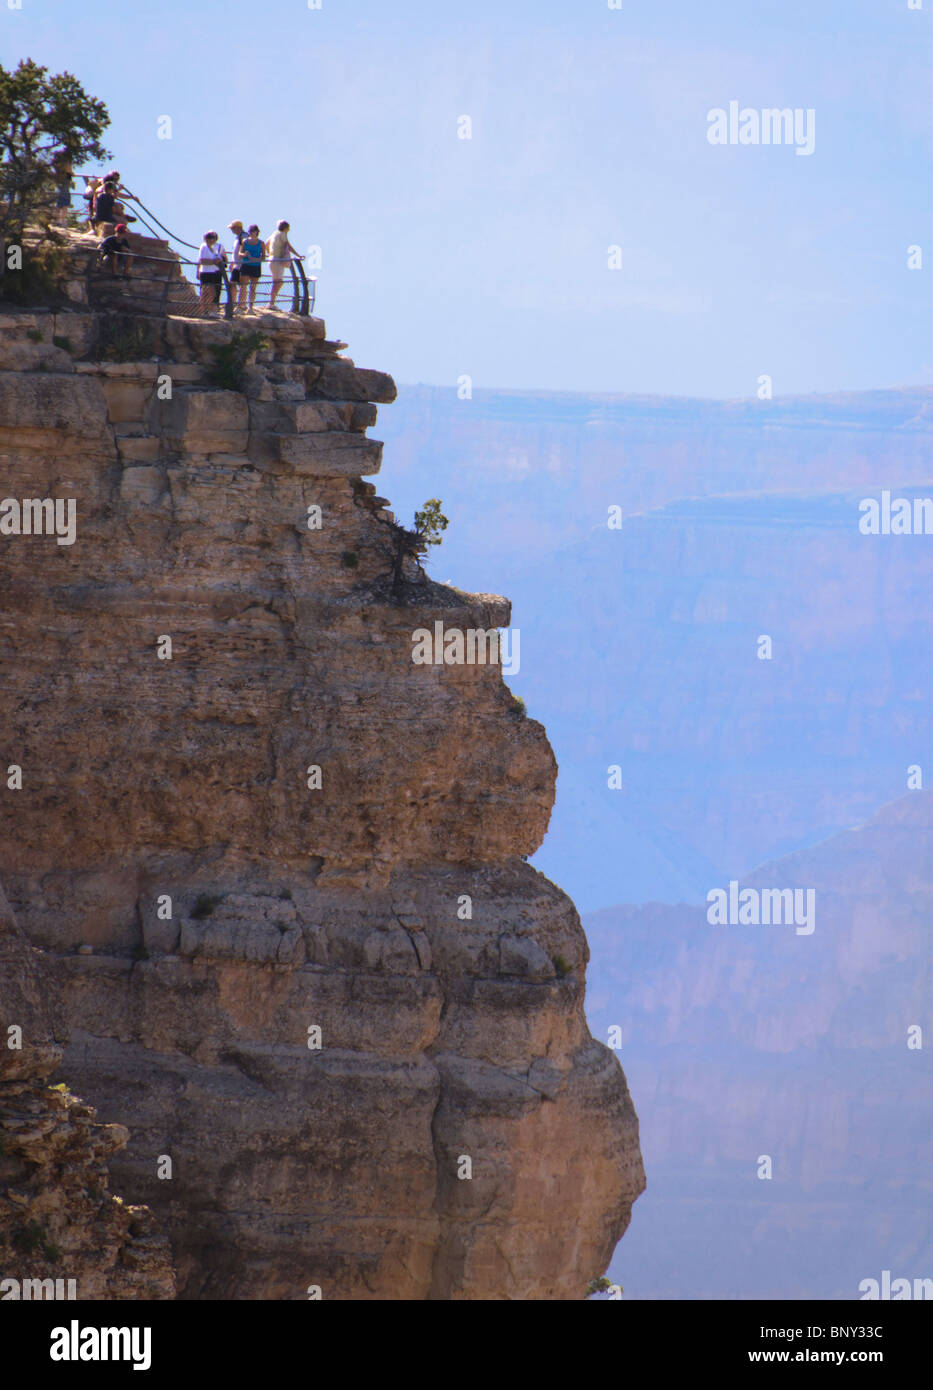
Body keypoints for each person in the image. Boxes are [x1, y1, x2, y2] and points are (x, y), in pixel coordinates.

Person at [265, 219, 302, 308]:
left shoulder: (274, 233)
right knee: (279, 282)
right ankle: (271, 303)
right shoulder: (283, 234)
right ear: (286, 228)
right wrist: (298, 255)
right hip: (278, 260)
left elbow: (266, 243)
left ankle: (271, 302)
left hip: (271, 259)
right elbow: (288, 246)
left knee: (276, 281)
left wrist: (269, 253)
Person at [197, 230, 227, 314]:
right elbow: (202, 260)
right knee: (204, 292)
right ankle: (203, 311)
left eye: (212, 238)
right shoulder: (203, 247)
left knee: (215, 292)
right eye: (208, 238)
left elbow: (224, 259)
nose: (210, 240)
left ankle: (212, 311)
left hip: (216, 272)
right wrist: (214, 262)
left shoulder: (219, 247)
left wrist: (220, 260)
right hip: (206, 272)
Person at [237, 224, 264, 313]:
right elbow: (240, 253)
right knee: (243, 286)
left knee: (253, 288)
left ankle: (251, 307)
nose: (252, 233)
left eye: (253, 231)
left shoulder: (261, 243)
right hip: (246, 265)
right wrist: (245, 255)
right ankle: (240, 306)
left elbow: (263, 257)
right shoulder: (245, 241)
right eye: (250, 231)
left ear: (257, 232)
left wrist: (255, 259)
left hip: (256, 266)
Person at [227, 219, 245, 303]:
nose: (231, 230)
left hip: (241, 265)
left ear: (238, 228)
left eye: (233, 228)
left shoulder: (243, 237)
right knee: (234, 284)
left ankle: (239, 303)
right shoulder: (238, 237)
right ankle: (234, 302)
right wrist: (232, 263)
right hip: (236, 265)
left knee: (239, 284)